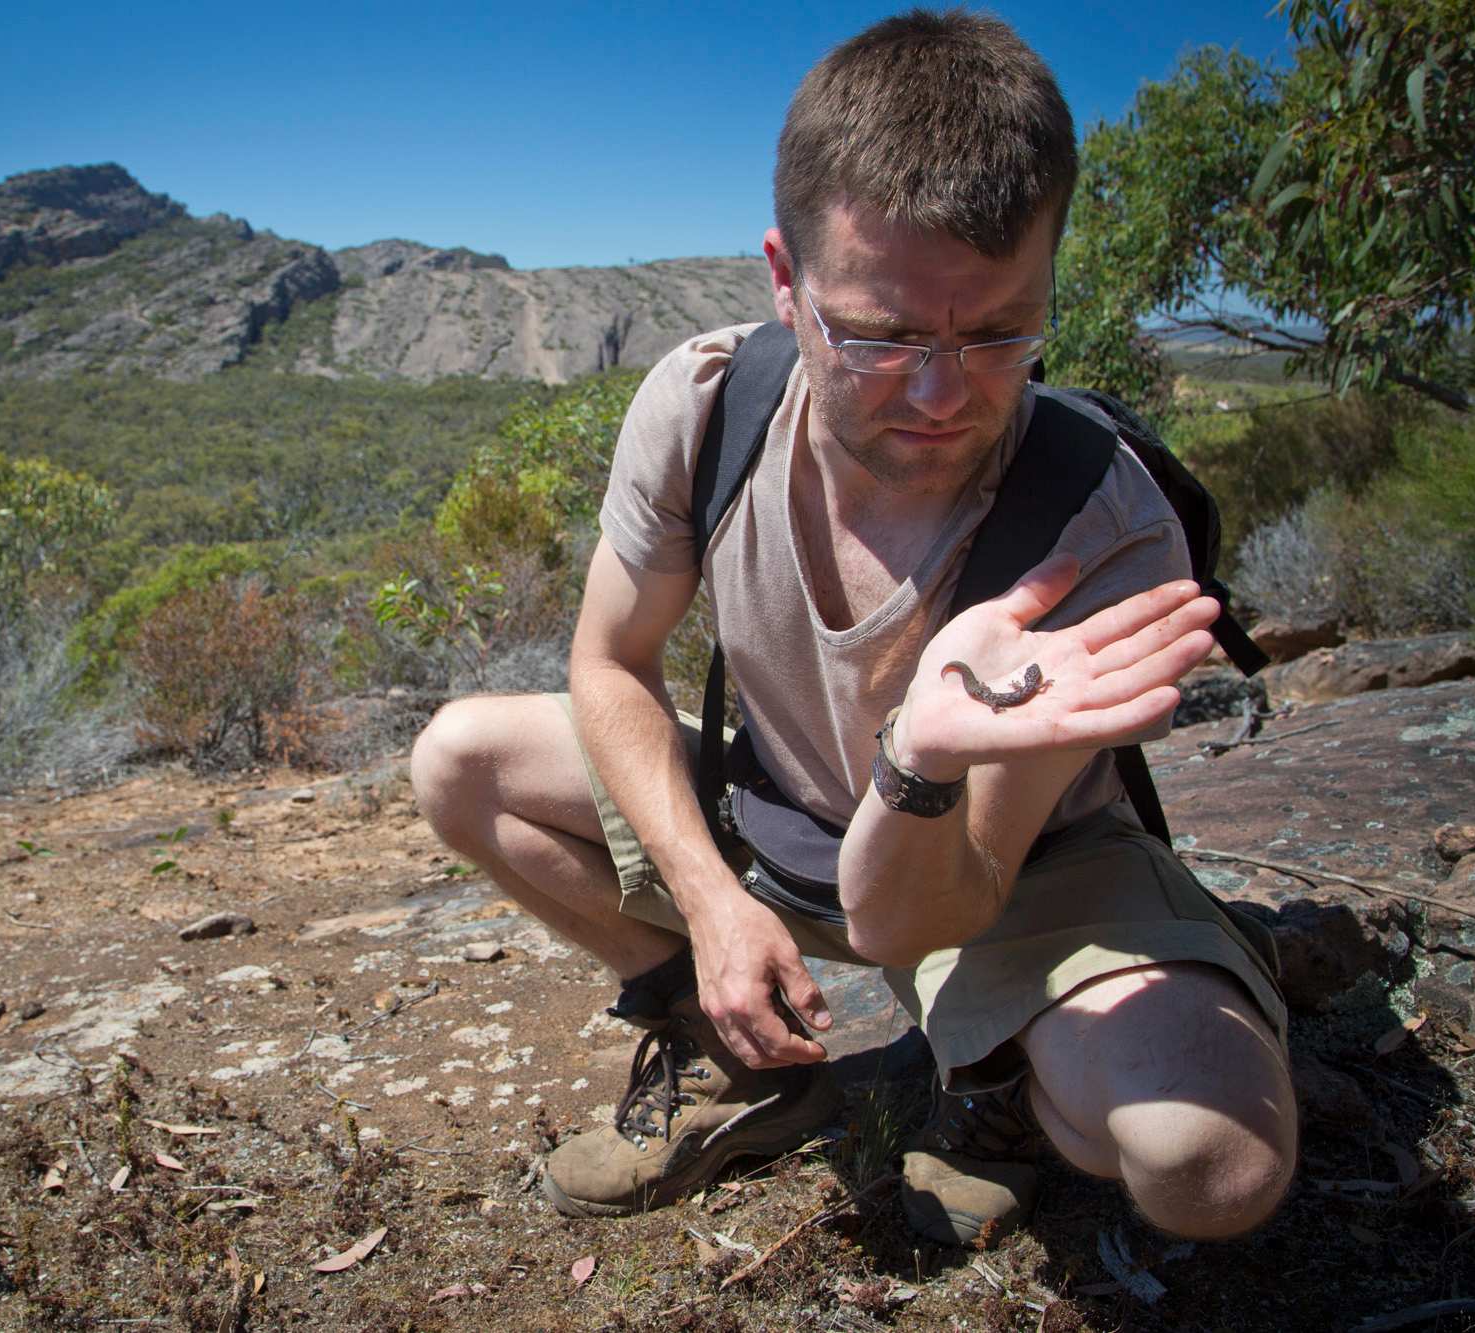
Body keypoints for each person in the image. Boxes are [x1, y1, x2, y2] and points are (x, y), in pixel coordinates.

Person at [411, 9, 1294, 1247]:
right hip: (776, 819)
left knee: (1208, 1164)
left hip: (1003, 872)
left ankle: (992, 1081)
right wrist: (713, 908)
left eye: (998, 331)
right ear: (783, 278)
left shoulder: (1098, 523)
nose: (941, 394)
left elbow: (914, 915)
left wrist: (920, 762)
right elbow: (609, 664)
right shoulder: (711, 404)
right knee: (461, 760)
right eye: (878, 334)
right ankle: (736, 1057)